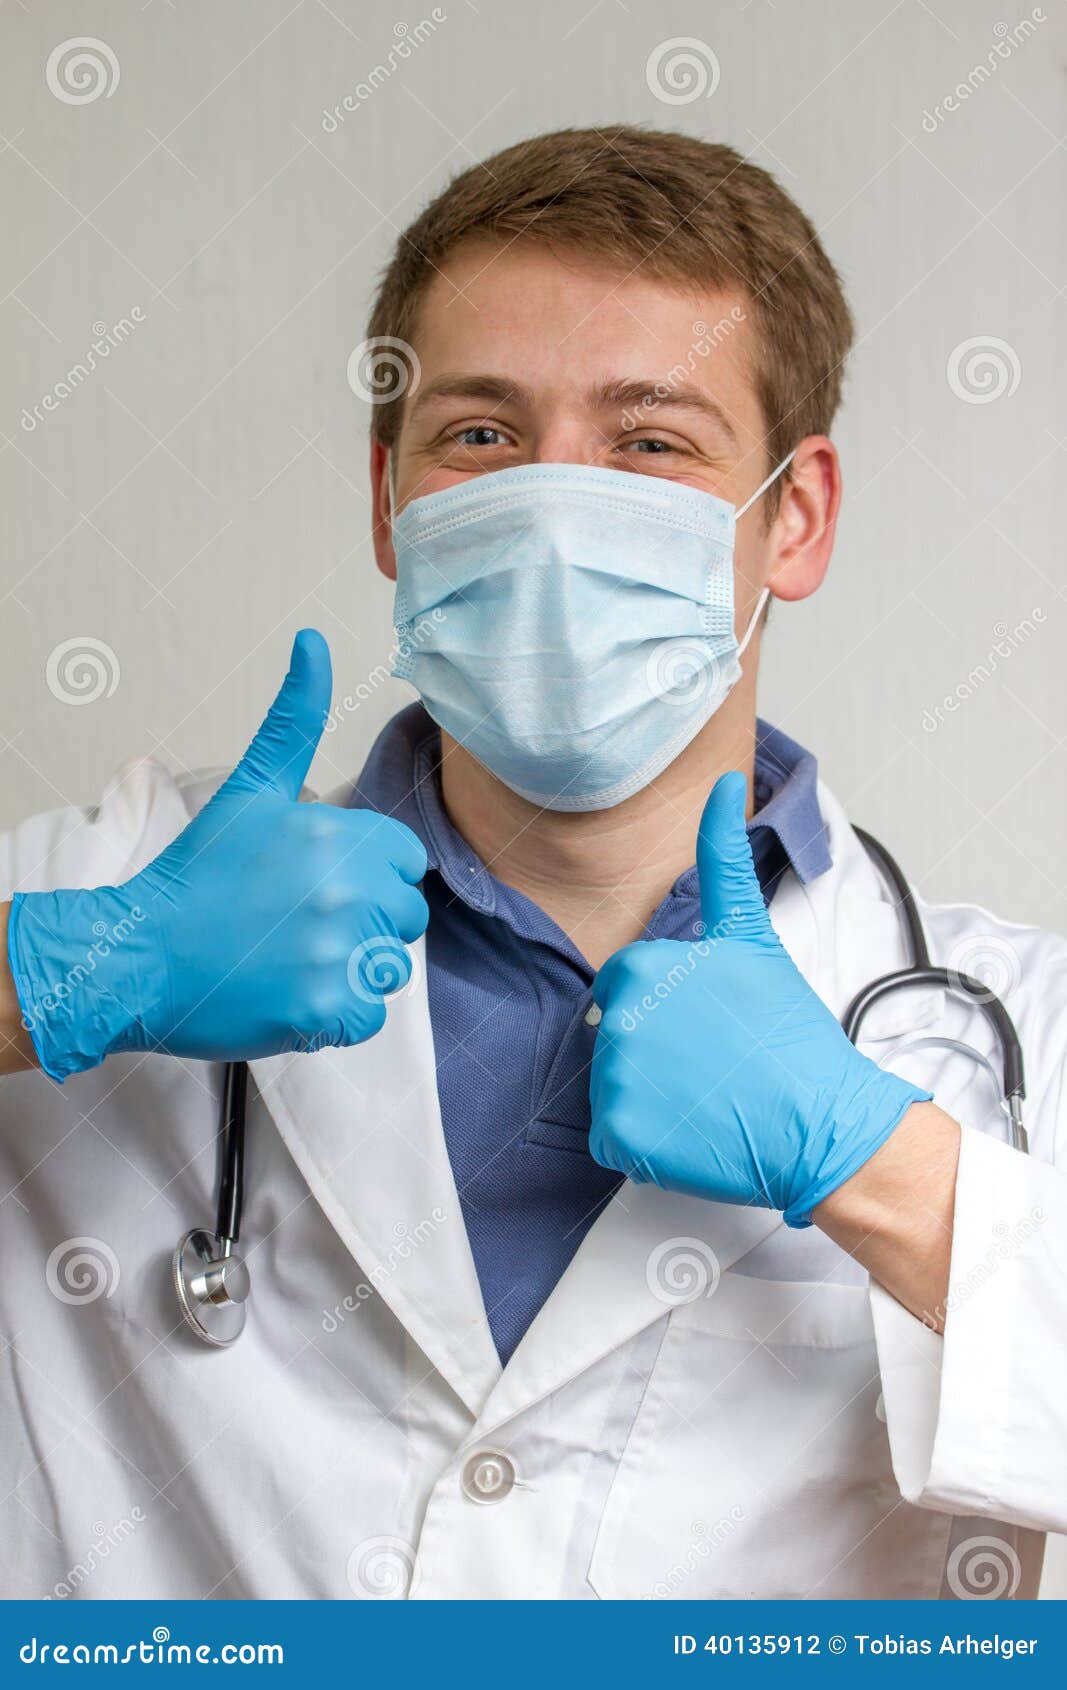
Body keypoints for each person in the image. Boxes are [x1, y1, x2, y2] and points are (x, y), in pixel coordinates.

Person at [0, 126, 1063, 1602]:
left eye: (652, 442)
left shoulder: (1008, 1027)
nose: (559, 510)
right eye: (484, 435)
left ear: (797, 516)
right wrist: (63, 970)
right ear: (391, 499)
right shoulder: (133, 878)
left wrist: (878, 1164)